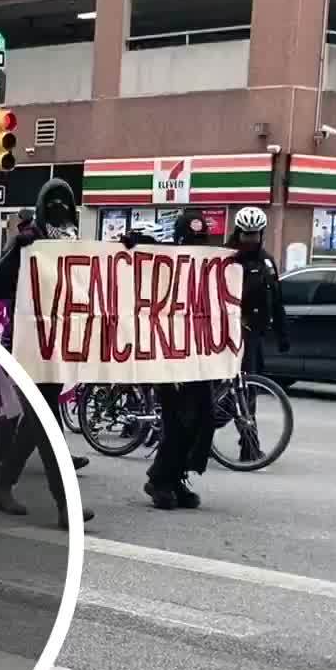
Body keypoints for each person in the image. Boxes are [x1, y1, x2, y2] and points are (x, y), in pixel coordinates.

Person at [0, 180, 95, 529]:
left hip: (56, 346)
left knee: (33, 426)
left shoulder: (73, 241)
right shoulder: (29, 239)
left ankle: (2, 488)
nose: (60, 206)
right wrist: (17, 249)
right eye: (54, 200)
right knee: (46, 424)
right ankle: (67, 505)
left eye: (66, 200)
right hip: (23, 347)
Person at [144, 211, 219, 512]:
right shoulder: (164, 270)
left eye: (200, 241)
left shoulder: (211, 269)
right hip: (171, 358)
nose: (196, 247)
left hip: (200, 357)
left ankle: (175, 477)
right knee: (178, 423)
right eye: (190, 241)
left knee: (203, 420)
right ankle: (160, 480)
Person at [225, 205, 289, 377]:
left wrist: (281, 334)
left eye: (255, 235)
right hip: (228, 332)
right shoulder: (226, 258)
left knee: (251, 382)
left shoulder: (266, 262)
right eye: (247, 234)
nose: (251, 239)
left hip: (255, 335)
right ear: (238, 233)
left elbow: (276, 299)